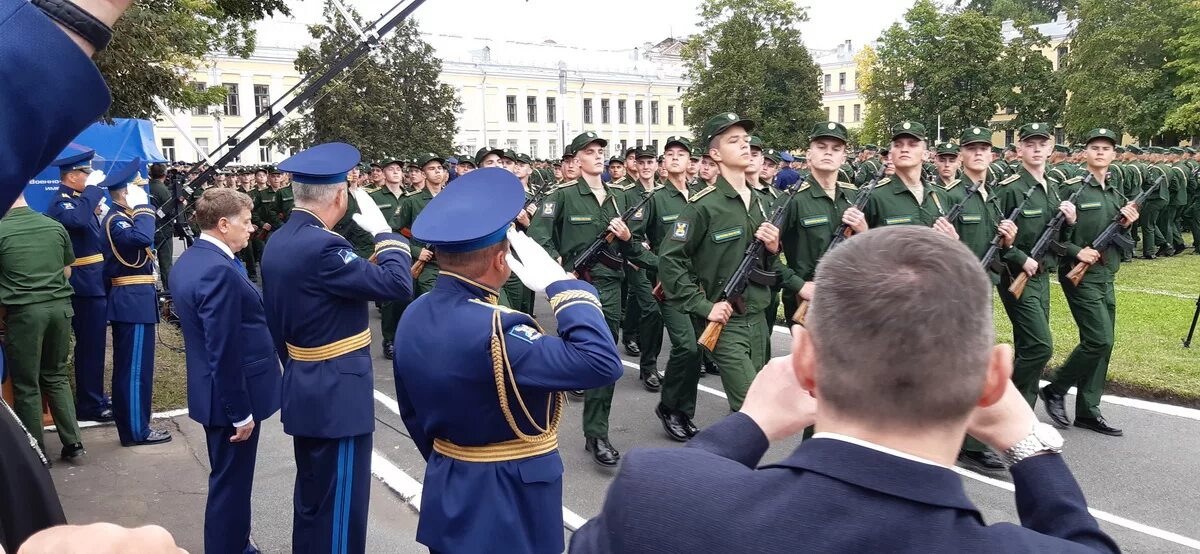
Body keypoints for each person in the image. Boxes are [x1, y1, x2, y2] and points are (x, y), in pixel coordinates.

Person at [570, 226, 1118, 554]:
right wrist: (1029, 444)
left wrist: (750, 423)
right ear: (994, 379)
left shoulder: (662, 497)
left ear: (804, 361)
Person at [393, 168, 622, 553]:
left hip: (448, 486)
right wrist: (564, 288)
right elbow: (601, 362)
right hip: (512, 500)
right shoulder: (500, 329)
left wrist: (456, 459)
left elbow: (412, 414)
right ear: (503, 261)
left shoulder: (413, 313)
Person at [260, 142, 413, 553]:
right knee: (342, 502)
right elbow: (399, 285)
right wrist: (386, 236)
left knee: (313, 497)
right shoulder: (326, 247)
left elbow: (275, 322)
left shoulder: (279, 240)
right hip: (337, 397)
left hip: (304, 381)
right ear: (341, 196)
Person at [170, 188, 283, 554]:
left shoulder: (192, 260)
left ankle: (236, 544)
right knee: (230, 485)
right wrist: (241, 413)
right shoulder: (218, 270)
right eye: (246, 222)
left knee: (229, 481)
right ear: (223, 224)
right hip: (229, 398)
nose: (251, 229)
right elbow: (223, 348)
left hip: (212, 391)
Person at [658, 113, 782, 414]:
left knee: (750, 411)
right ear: (715, 154)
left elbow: (768, 262)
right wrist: (703, 306)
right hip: (727, 323)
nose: (745, 146)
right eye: (734, 141)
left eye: (746, 140)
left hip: (759, 319)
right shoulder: (703, 206)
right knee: (755, 410)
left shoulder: (762, 201)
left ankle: (730, 455)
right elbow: (670, 259)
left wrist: (774, 247)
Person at [530, 131, 637, 468]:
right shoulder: (560, 196)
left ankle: (596, 431)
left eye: (601, 151)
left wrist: (628, 237)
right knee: (587, 354)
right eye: (590, 152)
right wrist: (559, 272)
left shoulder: (619, 197)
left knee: (608, 356)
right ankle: (579, 429)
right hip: (577, 287)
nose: (598, 156)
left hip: (612, 285)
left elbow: (632, 247)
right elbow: (538, 238)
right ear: (576, 160)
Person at [1041, 128, 1139, 437]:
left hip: (1106, 274)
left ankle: (1088, 410)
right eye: (1094, 147)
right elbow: (1052, 239)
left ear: (1113, 155)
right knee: (1099, 339)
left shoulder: (1114, 192)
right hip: (1078, 275)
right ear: (1086, 153)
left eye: (1106, 148)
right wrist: (1076, 251)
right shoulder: (1073, 190)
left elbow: (1123, 239)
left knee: (1103, 346)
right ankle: (1056, 388)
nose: (1100, 152)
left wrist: (1129, 223)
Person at [0, 191, 84, 460]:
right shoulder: (53, 225)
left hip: (25, 314)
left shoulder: (2, 230)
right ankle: (74, 443)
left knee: (27, 384)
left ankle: (36, 452)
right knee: (56, 375)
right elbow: (67, 269)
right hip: (60, 309)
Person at [998, 123, 1076, 406]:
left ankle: (1023, 415)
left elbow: (1061, 240)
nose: (1036, 149)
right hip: (1016, 276)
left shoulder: (1053, 188)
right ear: (1019, 149)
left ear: (1051, 149)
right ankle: (1002, 404)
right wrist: (1021, 258)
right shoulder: (1010, 189)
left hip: (1042, 277)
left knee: (1028, 346)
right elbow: (997, 237)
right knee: (1041, 346)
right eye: (1030, 144)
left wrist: (1070, 222)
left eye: (1042, 144)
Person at [100, 159, 173, 447]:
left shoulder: (124, 218)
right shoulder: (118, 220)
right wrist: (143, 208)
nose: (144, 196)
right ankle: (135, 431)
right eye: (138, 190)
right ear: (126, 193)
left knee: (137, 370)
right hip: (130, 301)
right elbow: (142, 237)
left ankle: (137, 424)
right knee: (133, 372)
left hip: (137, 300)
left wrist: (141, 209)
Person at [44, 147, 113, 423]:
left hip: (93, 282)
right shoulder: (64, 202)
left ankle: (93, 396)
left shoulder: (78, 199)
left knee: (94, 347)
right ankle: (90, 404)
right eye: (86, 173)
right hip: (83, 286)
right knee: (89, 347)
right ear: (73, 176)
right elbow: (78, 221)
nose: (90, 178)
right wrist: (92, 193)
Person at [778, 122, 863, 337]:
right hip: (806, 300)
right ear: (809, 154)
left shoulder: (854, 197)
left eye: (836, 149)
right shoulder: (792, 199)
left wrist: (864, 230)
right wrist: (798, 285)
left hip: (847, 300)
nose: (828, 153)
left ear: (844, 157)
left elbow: (871, 252)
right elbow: (764, 256)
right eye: (821, 147)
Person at [146, 163, 177, 289]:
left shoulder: (146, 187)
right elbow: (171, 212)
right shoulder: (163, 190)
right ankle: (169, 293)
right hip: (164, 231)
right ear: (165, 174)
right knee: (166, 266)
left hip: (148, 229)